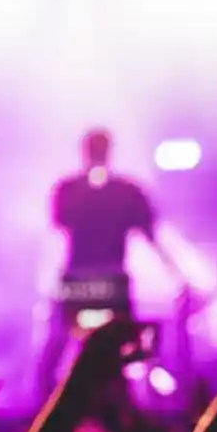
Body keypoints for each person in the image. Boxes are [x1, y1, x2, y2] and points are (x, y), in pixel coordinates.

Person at [40, 129, 180, 398]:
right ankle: (129, 408)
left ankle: (44, 410)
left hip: (78, 279)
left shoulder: (68, 189)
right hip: (107, 280)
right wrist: (175, 273)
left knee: (59, 347)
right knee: (120, 347)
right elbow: (151, 236)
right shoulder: (127, 191)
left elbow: (59, 229)